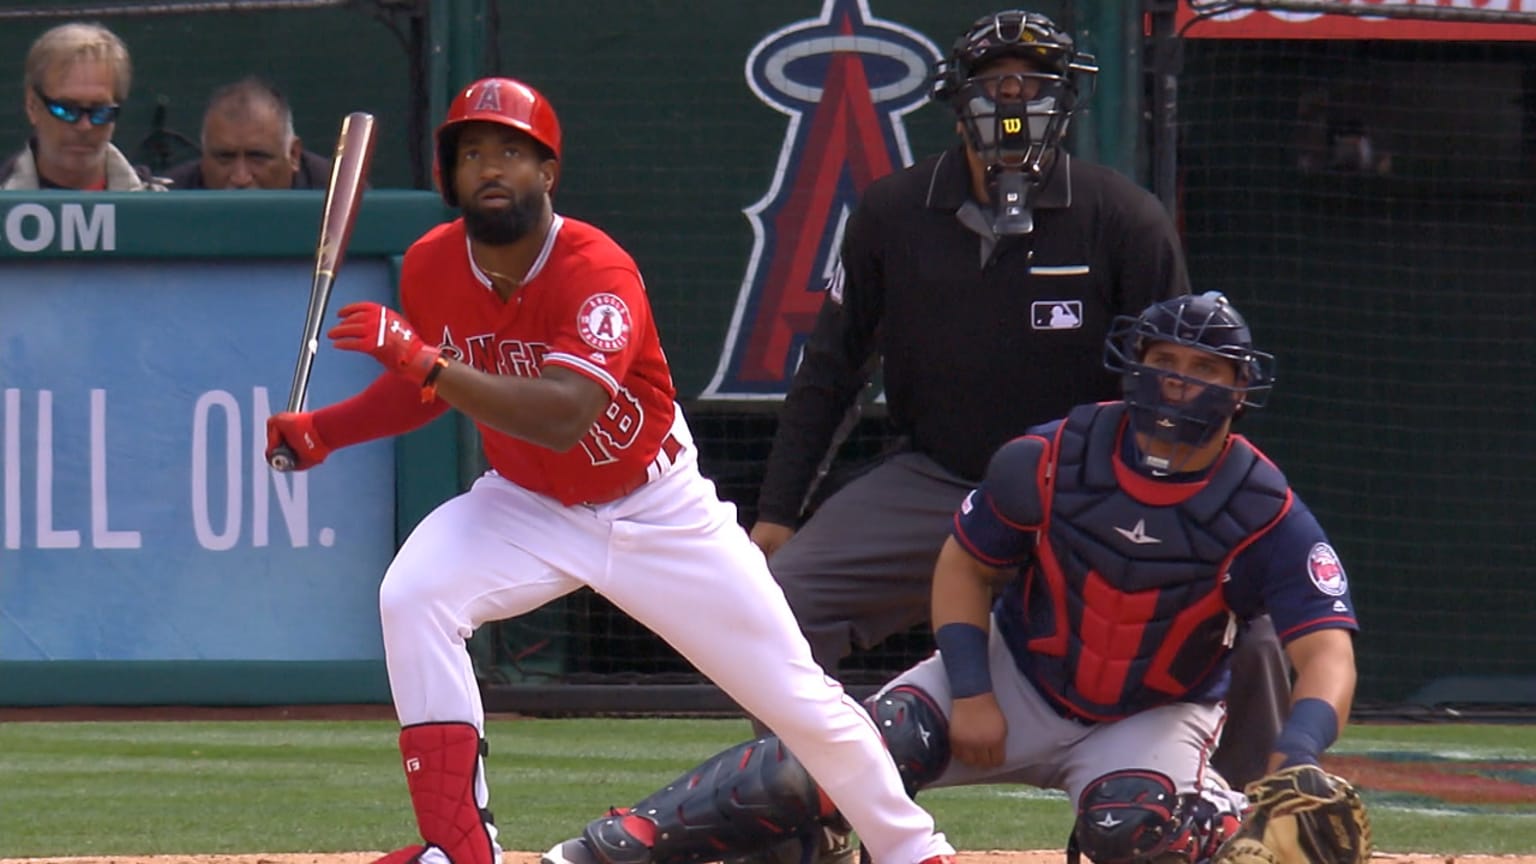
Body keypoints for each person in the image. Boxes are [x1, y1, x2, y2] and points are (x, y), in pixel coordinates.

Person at [263, 76, 957, 864]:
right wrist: (326, 430)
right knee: (414, 593)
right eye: (474, 152)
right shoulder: (430, 265)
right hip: (525, 504)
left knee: (796, 697)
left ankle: (914, 850)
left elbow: (563, 415)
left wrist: (424, 363)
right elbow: (430, 388)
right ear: (448, 176)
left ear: (547, 173)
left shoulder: (597, 269)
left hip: (656, 508)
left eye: (514, 153)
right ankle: (456, 847)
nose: (493, 167)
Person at [544, 291, 1363, 864]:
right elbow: (965, 566)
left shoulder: (1264, 505)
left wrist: (1297, 756)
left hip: (1152, 714)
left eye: (1206, 369)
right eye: (1166, 359)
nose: (1181, 381)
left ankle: (1219, 818)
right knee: (828, 761)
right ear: (1134, 362)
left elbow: (1327, 650)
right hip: (1013, 675)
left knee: (1132, 831)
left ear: (1240, 389)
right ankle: (616, 844)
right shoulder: (1051, 455)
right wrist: (970, 687)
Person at [745, 7, 1290, 805]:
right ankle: (799, 813)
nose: (1012, 98)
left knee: (1256, 625)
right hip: (942, 474)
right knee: (781, 603)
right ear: (956, 96)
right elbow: (830, 371)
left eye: (1032, 82)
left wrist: (1194, 504)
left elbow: (1189, 378)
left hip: (1099, 487)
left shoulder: (1121, 217)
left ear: (1065, 98)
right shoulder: (893, 212)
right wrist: (776, 513)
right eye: (994, 80)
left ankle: (1256, 819)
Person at [0, 21, 166, 191]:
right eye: (66, 110)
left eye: (101, 111)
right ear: (32, 106)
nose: (85, 126)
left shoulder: (159, 210)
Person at [162, 76, 333, 190]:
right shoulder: (167, 201)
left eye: (258, 157)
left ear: (294, 155)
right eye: (224, 158)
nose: (240, 178)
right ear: (204, 157)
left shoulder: (342, 198)